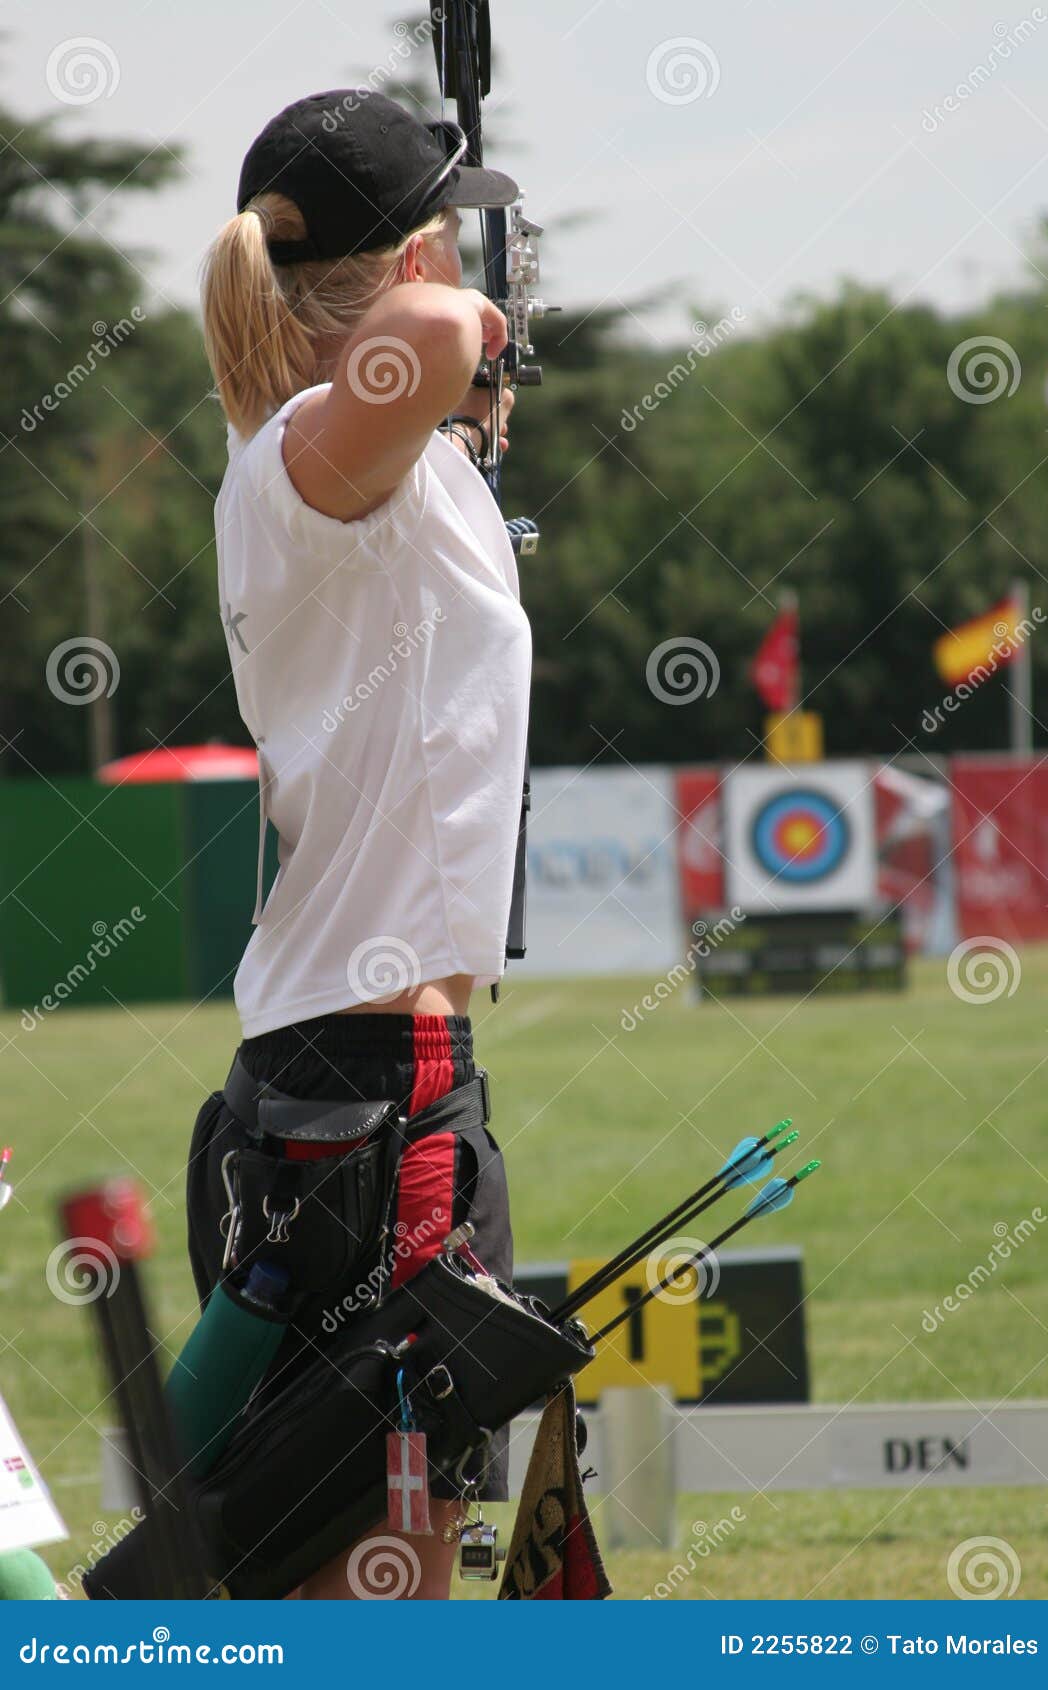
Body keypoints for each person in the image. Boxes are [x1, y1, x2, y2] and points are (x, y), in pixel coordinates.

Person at [186, 88, 532, 1600]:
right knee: (384, 1578)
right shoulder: (304, 468)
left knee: (362, 1556)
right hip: (372, 1087)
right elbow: (448, 338)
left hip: (354, 1070)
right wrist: (470, 321)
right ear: (402, 273)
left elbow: (435, 364)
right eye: (445, 245)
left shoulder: (336, 468)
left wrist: (461, 389)